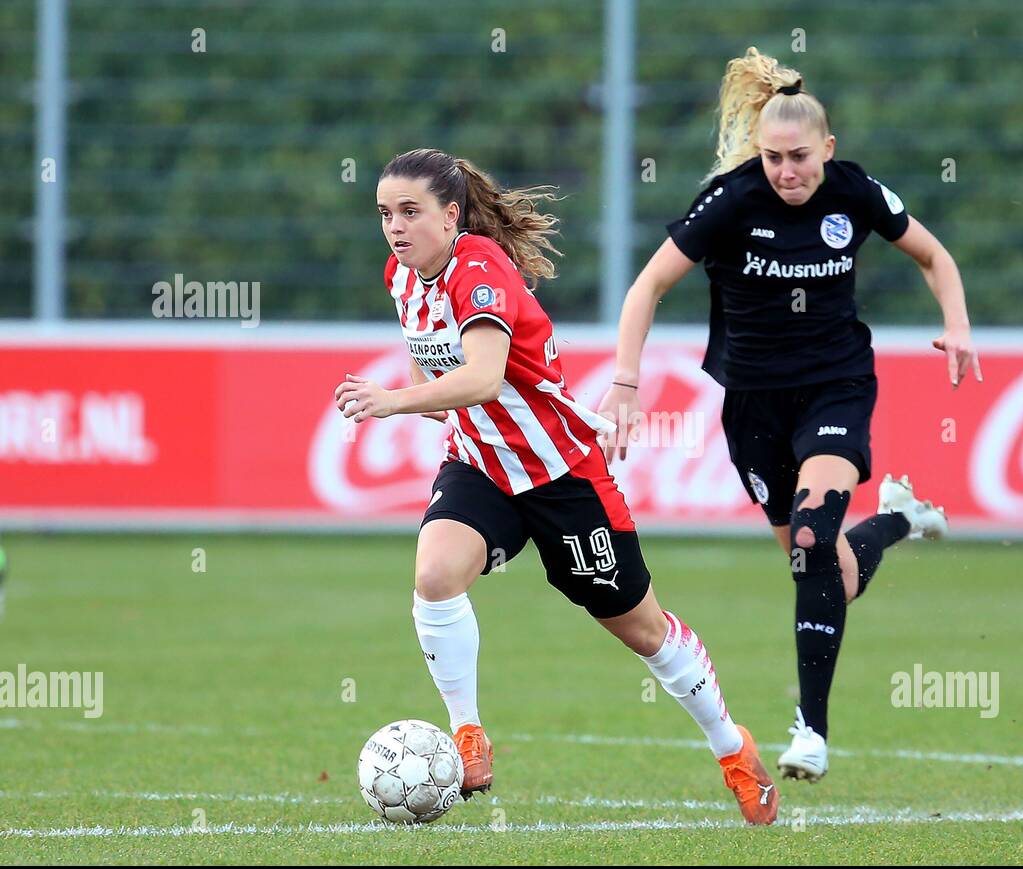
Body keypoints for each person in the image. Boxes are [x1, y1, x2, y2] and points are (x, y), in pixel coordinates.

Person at [334, 148, 778, 825]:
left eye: (410, 212)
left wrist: (390, 401)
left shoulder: (478, 268)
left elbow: (484, 377)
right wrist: (416, 401)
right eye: (384, 214)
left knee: (644, 631)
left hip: (562, 476)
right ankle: (467, 733)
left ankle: (732, 748)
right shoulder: (402, 276)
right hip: (481, 466)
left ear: (450, 216)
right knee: (435, 574)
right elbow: (440, 382)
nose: (395, 227)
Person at [597, 47, 981, 783]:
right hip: (752, 407)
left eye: (799, 157)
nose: (786, 171)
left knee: (811, 537)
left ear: (827, 148)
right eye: (773, 158)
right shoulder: (731, 201)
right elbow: (647, 286)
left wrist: (957, 324)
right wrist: (625, 381)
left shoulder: (855, 192)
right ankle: (898, 520)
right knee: (826, 569)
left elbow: (934, 257)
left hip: (836, 388)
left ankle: (812, 731)